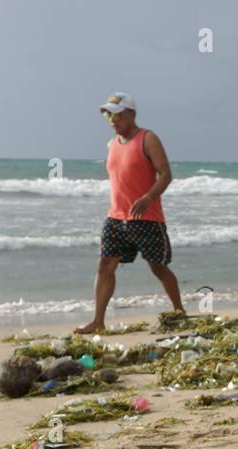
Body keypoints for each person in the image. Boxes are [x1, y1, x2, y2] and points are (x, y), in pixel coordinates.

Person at [75, 93, 183, 334]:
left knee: (158, 267)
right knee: (105, 265)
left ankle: (179, 312)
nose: (112, 119)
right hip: (116, 217)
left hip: (146, 217)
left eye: (118, 114)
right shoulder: (111, 143)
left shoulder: (148, 139)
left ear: (132, 114)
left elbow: (165, 175)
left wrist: (147, 198)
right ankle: (98, 321)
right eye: (108, 114)